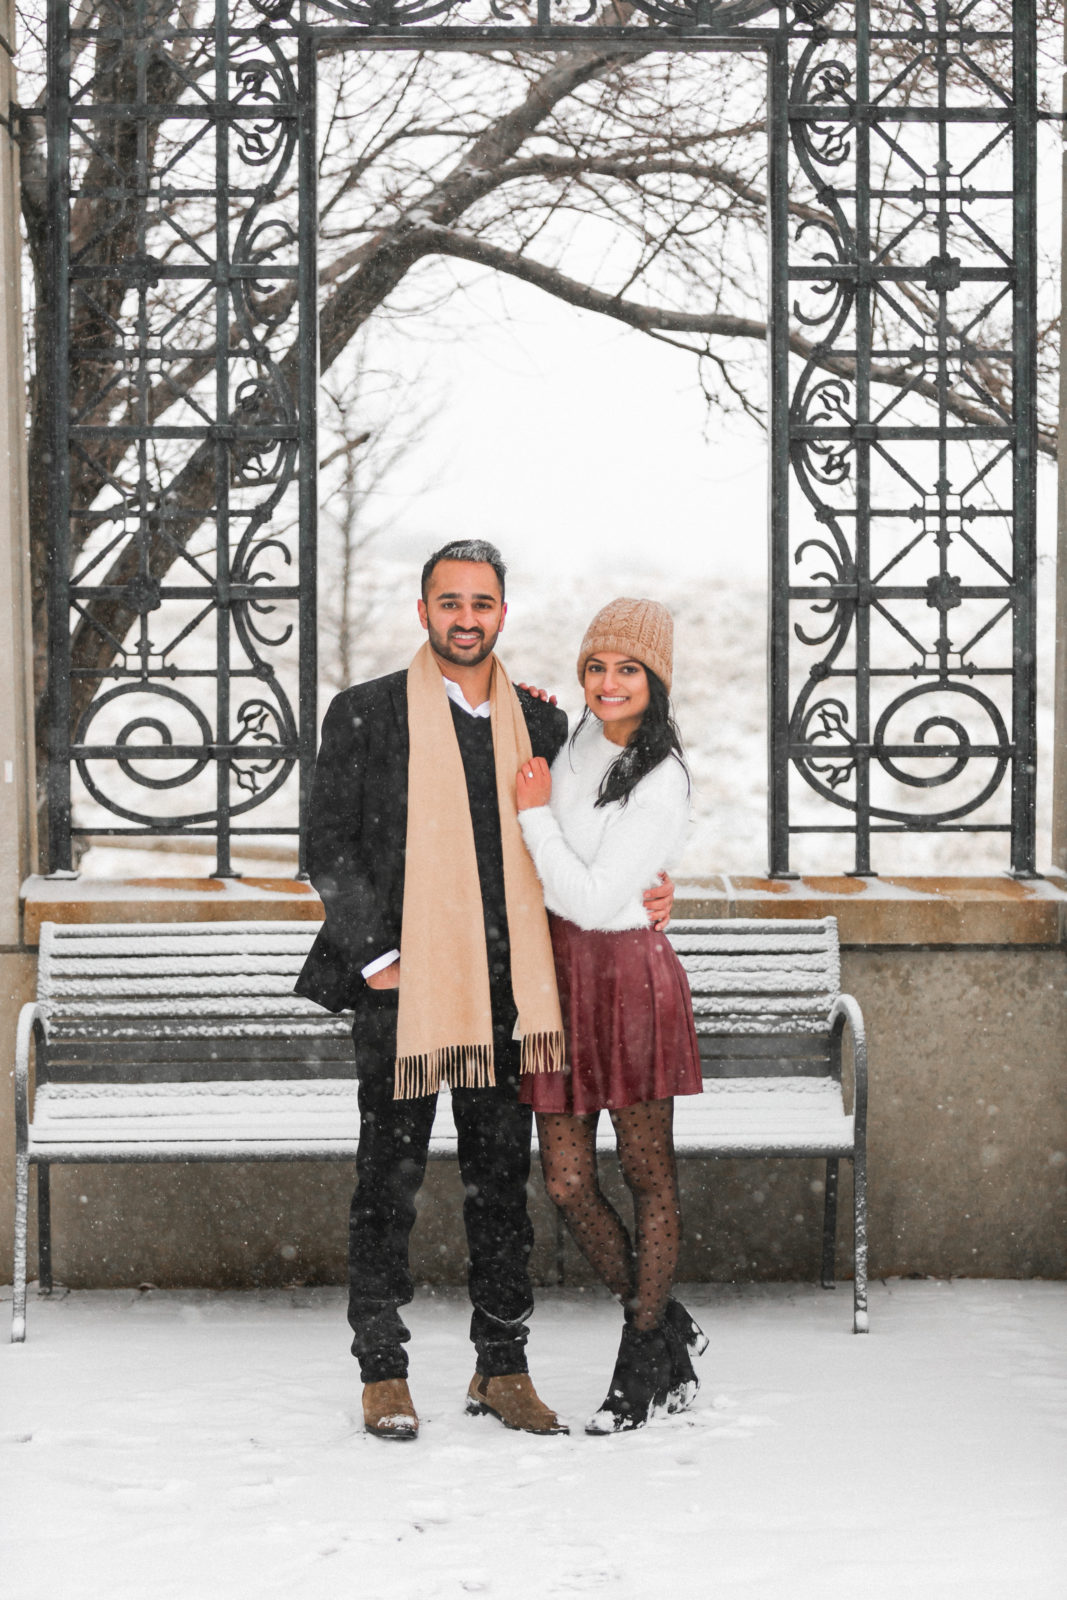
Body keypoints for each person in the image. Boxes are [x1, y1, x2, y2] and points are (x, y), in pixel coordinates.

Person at [295, 543, 674, 1441]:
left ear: (504, 612)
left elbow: (593, 836)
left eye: (483, 602)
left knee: (500, 1187)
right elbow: (329, 848)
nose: (466, 617)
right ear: (421, 608)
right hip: (403, 994)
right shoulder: (365, 714)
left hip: (508, 994)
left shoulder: (540, 723)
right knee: (385, 1185)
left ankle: (501, 1365)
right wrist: (376, 953)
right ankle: (382, 1370)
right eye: (449, 601)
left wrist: (658, 887)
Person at [515, 597, 707, 1434]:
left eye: (627, 669)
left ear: (655, 678)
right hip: (558, 981)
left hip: (627, 979)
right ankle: (666, 1322)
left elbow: (595, 900)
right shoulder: (572, 743)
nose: (607, 682)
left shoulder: (661, 778)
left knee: (643, 1174)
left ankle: (640, 1353)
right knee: (564, 1181)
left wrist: (531, 816)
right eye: (595, 666)